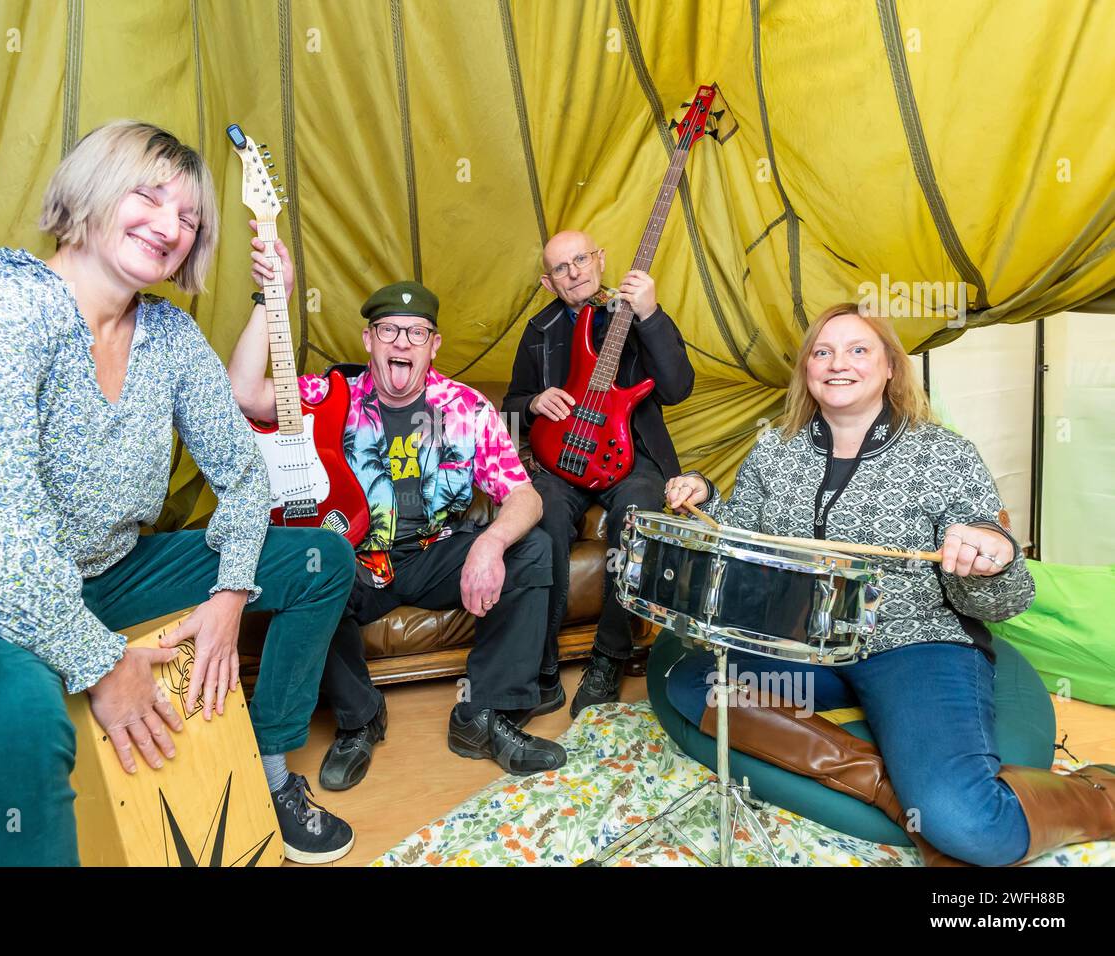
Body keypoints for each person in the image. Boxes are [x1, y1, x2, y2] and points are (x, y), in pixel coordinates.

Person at [0, 121, 358, 866]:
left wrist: (232, 591)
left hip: (99, 575)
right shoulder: (4, 302)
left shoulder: (171, 339)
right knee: (9, 717)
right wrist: (98, 661)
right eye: (149, 196)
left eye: (190, 218)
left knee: (320, 561)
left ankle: (274, 773)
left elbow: (245, 475)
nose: (171, 226)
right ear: (91, 190)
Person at [663, 301, 1115, 866]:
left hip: (912, 646)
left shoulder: (943, 454)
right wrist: (704, 498)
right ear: (807, 369)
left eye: (858, 350)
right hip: (804, 645)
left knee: (975, 829)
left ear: (889, 369)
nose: (838, 363)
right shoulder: (774, 450)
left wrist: (994, 560)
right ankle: (891, 792)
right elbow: (744, 542)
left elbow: (1008, 600)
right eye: (823, 352)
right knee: (694, 682)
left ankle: (1099, 794)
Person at [230, 232, 566, 791]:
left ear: (433, 345)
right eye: (389, 330)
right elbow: (244, 393)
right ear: (370, 340)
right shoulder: (330, 395)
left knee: (532, 546)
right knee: (308, 565)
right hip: (357, 559)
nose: (401, 341)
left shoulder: (467, 409)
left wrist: (488, 543)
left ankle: (484, 717)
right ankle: (361, 720)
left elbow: (524, 495)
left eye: (416, 332)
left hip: (437, 553)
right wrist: (273, 299)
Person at [502, 230, 694, 718]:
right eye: (561, 269)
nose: (575, 272)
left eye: (582, 259)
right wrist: (532, 403)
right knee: (538, 520)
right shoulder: (540, 329)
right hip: (561, 457)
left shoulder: (639, 312)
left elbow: (676, 388)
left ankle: (609, 656)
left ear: (600, 259)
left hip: (632, 455)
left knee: (637, 516)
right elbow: (508, 408)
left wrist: (650, 315)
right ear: (549, 282)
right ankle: (539, 660)